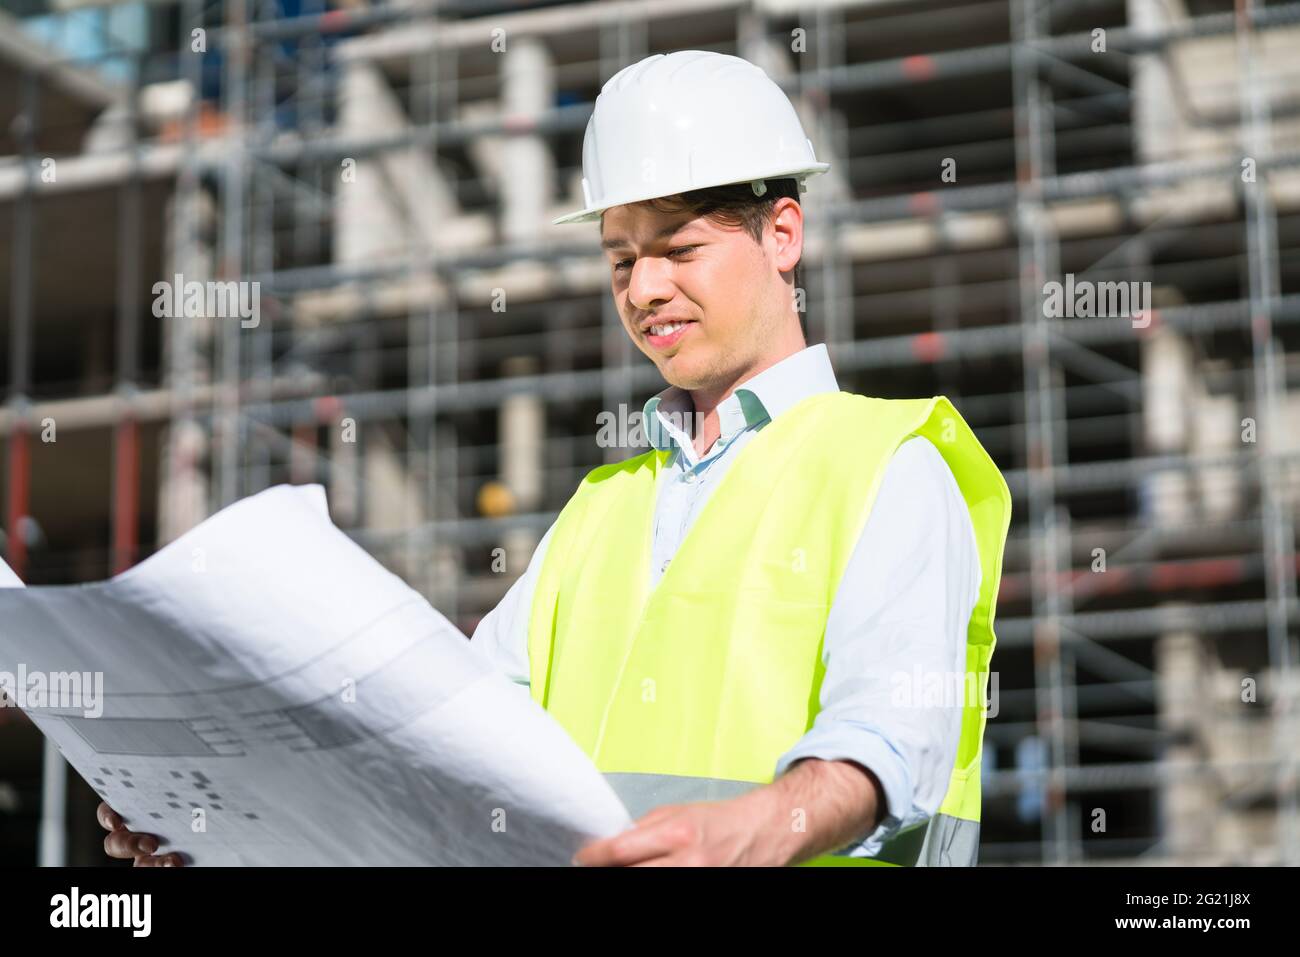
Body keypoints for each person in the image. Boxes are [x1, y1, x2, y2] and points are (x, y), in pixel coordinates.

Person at [100, 49, 1011, 867]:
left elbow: (896, 736)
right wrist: (229, 819)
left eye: (681, 249)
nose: (646, 289)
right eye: (621, 260)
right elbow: (446, 750)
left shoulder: (890, 464)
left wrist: (758, 824)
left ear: (783, 234)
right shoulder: (601, 509)